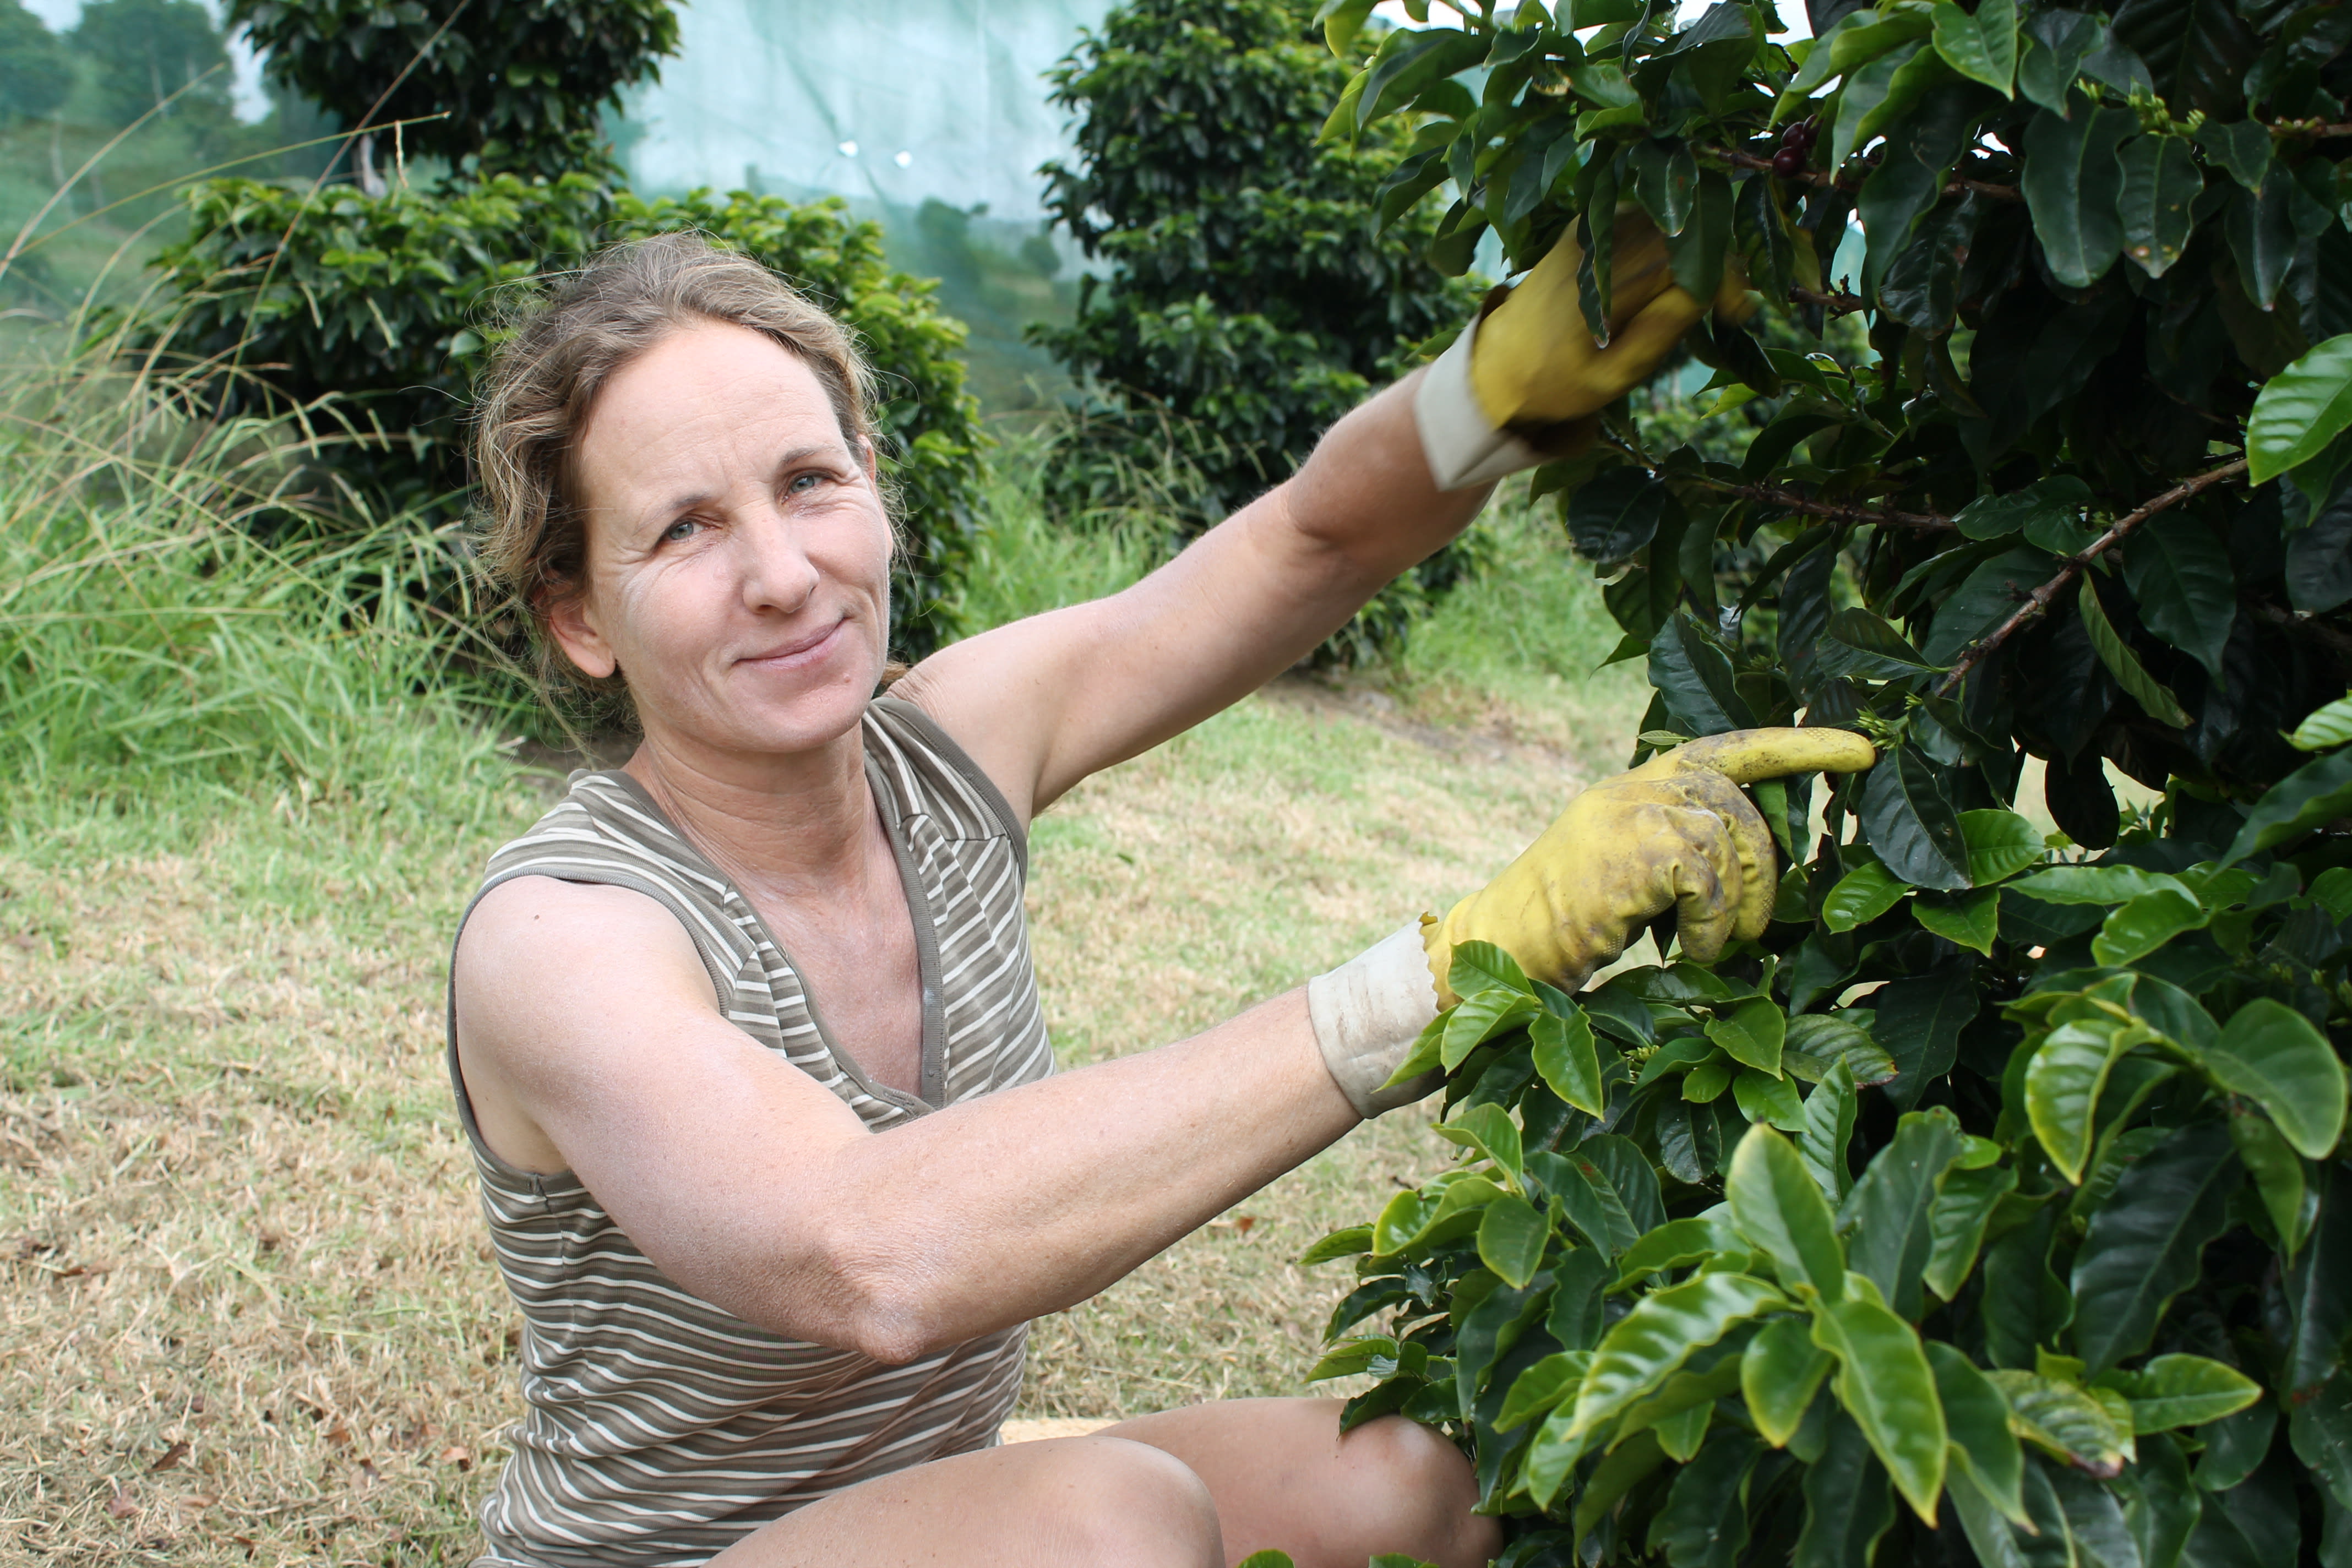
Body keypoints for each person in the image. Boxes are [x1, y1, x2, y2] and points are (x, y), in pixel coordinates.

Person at [446, 223, 1873, 1568]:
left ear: (874, 479)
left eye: (810, 482)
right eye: (685, 530)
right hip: (676, 1555)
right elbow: (863, 1251)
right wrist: (1439, 975)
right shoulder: (566, 937)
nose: (780, 572)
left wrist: (1492, 390)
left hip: (938, 1498)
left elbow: (1311, 542)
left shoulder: (951, 751)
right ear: (579, 613)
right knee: (1108, 1526)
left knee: (1413, 1484)